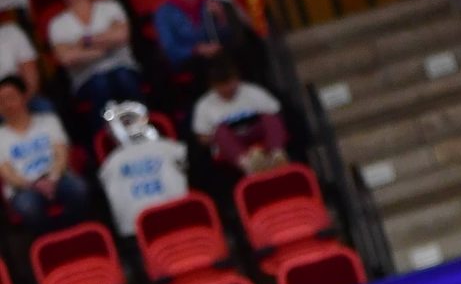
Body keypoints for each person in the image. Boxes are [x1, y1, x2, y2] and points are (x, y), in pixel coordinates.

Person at [47, 0, 143, 127]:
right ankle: (107, 136)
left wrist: (84, 43)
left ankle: (140, 126)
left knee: (123, 79)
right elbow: (66, 58)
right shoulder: (57, 24)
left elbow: (122, 35)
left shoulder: (110, 6)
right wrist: (106, 45)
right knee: (101, 85)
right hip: (86, 77)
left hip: (122, 66)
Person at [0, 76, 91, 231]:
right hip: (23, 187)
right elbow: (7, 172)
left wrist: (53, 179)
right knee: (28, 207)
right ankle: (50, 241)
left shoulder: (49, 121)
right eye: (1, 101)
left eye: (11, 97)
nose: (7, 104)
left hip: (57, 176)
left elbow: (61, 153)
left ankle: (76, 232)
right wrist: (33, 185)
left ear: (24, 97)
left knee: (78, 189)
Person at [98, 101, 188, 236]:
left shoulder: (163, 147)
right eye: (125, 123)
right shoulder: (113, 161)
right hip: (138, 227)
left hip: (172, 215)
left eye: (130, 121)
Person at [191, 54, 287, 175]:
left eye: (230, 82)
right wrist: (217, 136)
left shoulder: (252, 91)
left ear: (237, 78)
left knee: (270, 118)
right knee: (220, 132)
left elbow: (275, 113)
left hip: (257, 132)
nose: (228, 88)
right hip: (231, 143)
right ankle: (249, 165)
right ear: (214, 85)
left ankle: (277, 155)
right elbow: (202, 137)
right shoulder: (204, 105)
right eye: (223, 85)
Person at [153, 0, 246, 75]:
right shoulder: (164, 12)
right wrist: (196, 50)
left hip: (218, 54)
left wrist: (221, 17)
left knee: (243, 51)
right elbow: (170, 49)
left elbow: (228, 37)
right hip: (190, 61)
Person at [0, 20, 43, 106]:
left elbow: (31, 76)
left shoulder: (11, 32)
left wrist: (23, 102)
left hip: (23, 99)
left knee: (42, 106)